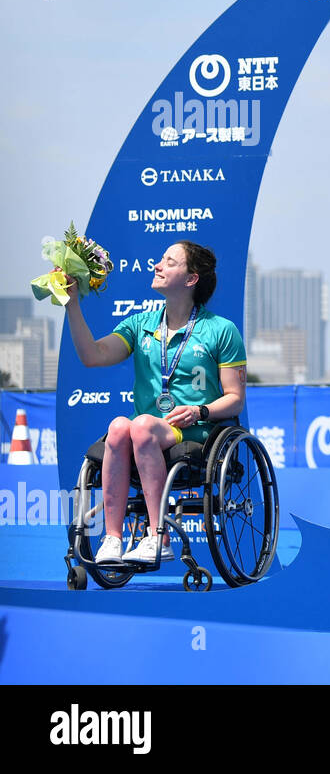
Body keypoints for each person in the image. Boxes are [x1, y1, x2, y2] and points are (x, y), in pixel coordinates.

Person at [62, 241, 247, 565]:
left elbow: (235, 399)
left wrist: (200, 410)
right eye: (160, 259)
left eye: (168, 262)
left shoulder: (221, 330)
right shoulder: (140, 325)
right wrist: (72, 304)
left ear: (191, 279)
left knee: (141, 426)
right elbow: (92, 355)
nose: (157, 266)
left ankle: (158, 537)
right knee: (120, 427)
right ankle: (113, 539)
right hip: (144, 432)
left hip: (195, 432)